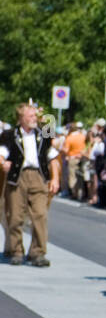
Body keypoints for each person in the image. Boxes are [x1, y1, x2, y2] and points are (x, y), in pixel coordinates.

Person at [0, 102, 60, 267]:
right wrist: (3, 163)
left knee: (40, 215)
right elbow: (2, 153)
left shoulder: (43, 135)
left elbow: (52, 156)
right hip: (17, 177)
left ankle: (38, 253)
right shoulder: (9, 134)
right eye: (31, 116)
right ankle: (16, 251)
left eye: (35, 115)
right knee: (15, 216)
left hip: (38, 176)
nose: (35, 119)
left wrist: (55, 179)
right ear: (22, 118)